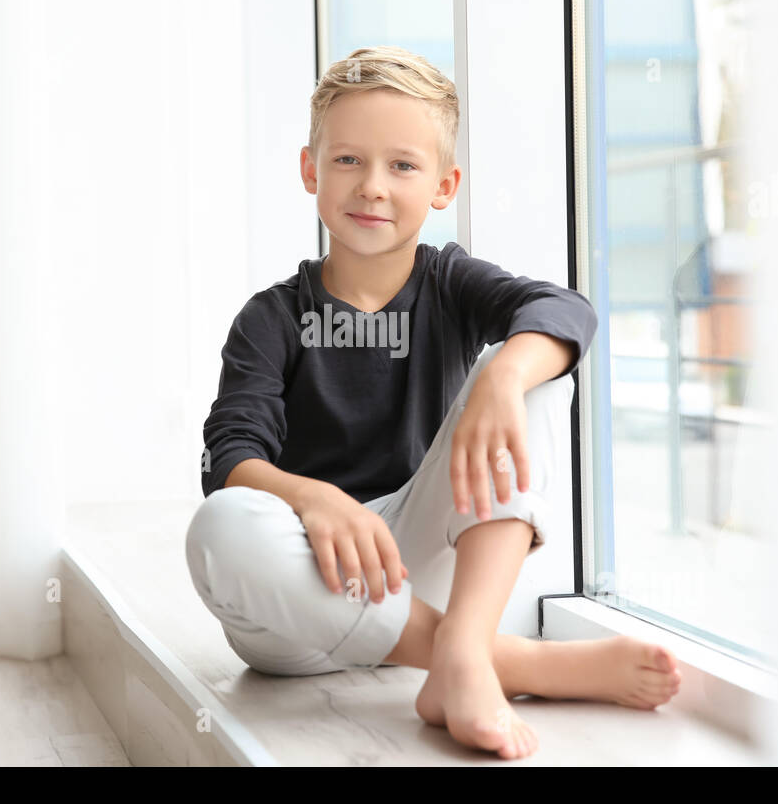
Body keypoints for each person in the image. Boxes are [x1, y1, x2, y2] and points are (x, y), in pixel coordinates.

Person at [187, 45, 681, 760]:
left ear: (444, 185)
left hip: (414, 561)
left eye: (403, 166)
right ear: (310, 171)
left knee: (539, 370)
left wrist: (501, 377)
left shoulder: (449, 284)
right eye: (348, 161)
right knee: (221, 525)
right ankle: (493, 659)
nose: (373, 188)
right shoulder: (270, 317)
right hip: (300, 600)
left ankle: (463, 649)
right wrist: (314, 499)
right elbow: (229, 454)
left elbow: (564, 308)